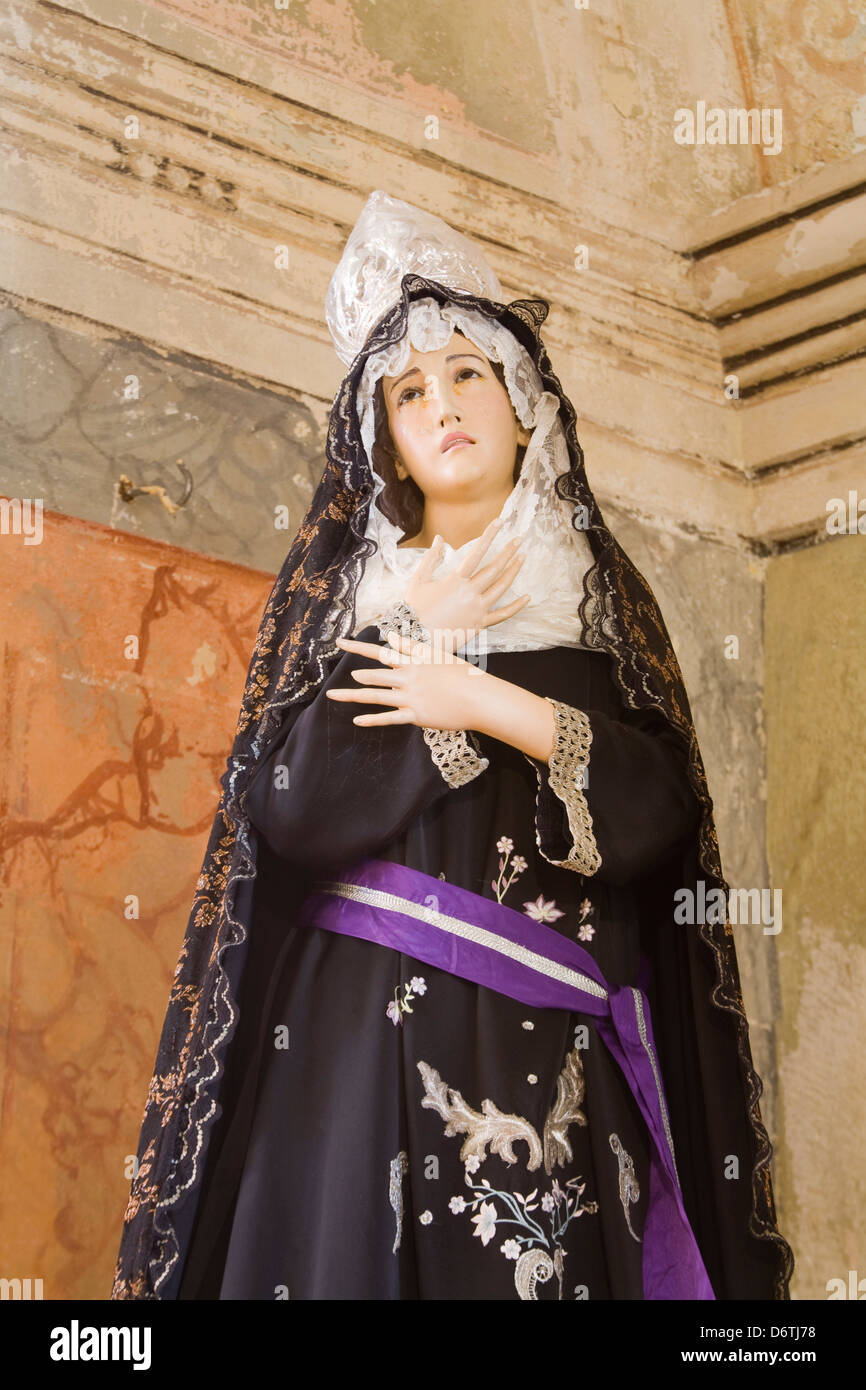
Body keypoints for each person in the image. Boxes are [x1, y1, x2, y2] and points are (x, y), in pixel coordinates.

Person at [111, 191, 794, 1301]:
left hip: (550, 1060)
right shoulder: (350, 617)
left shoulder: (600, 617)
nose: (444, 405)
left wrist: (480, 699)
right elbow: (288, 815)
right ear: (383, 437)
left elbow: (657, 817)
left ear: (524, 405)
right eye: (409, 390)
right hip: (349, 1047)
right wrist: (418, 635)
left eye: (469, 374)